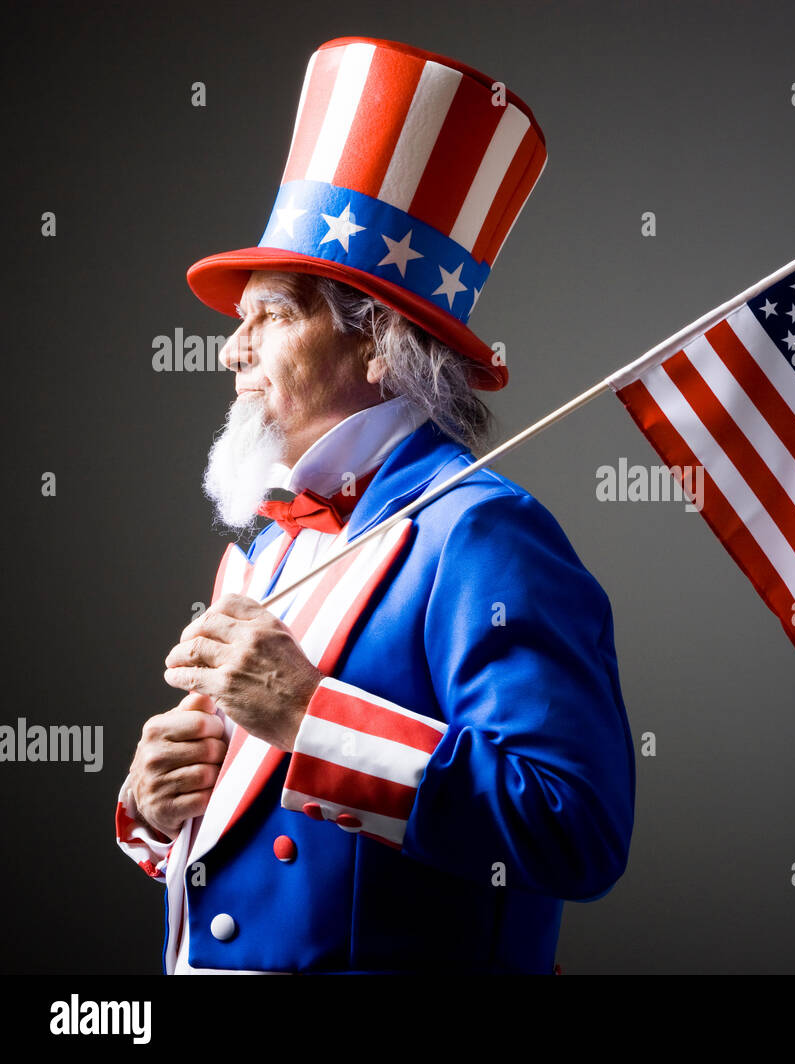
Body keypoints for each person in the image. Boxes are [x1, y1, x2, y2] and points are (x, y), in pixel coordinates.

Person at [113, 36, 635, 974]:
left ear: (379, 349)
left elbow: (577, 834)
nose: (232, 351)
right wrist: (159, 812)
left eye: (271, 315)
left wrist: (311, 715)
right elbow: (256, 872)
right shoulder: (269, 545)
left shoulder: (484, 532)